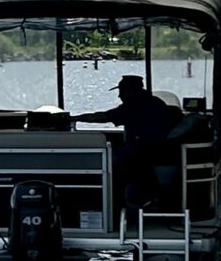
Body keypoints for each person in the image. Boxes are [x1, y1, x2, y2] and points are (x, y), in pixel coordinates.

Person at [75, 74, 184, 211]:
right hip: (161, 151)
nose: (119, 95)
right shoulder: (155, 102)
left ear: (131, 90)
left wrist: (74, 118)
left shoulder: (134, 106)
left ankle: (114, 204)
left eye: (122, 91)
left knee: (111, 163)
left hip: (147, 153)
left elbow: (103, 117)